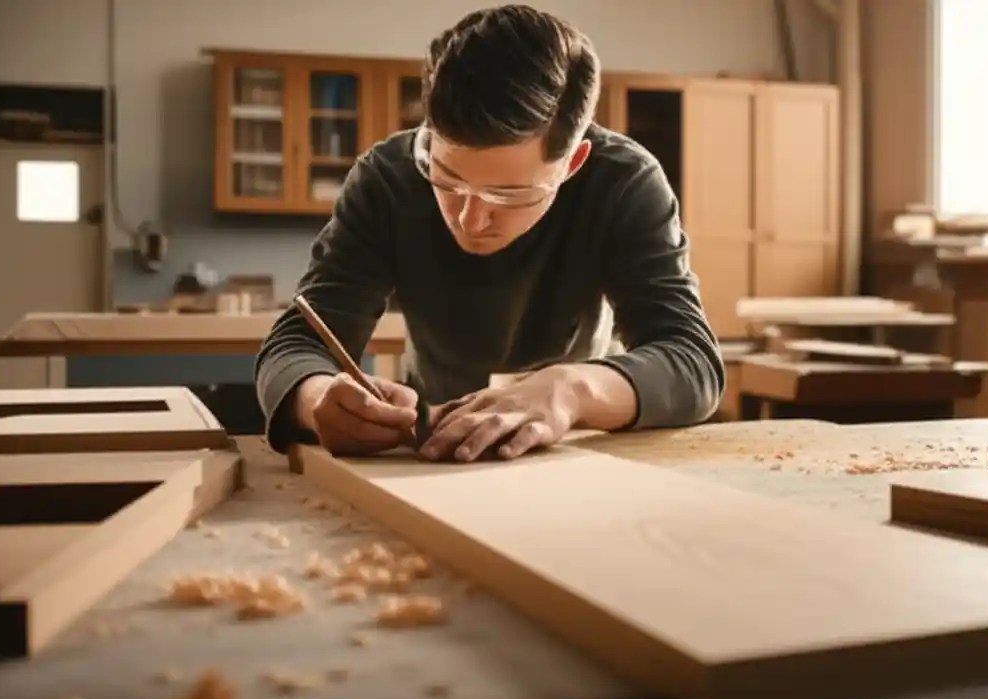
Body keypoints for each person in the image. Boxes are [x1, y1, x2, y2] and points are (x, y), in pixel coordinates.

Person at [255, 4, 724, 463]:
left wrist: (571, 389)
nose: (470, 219)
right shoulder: (387, 179)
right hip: (429, 448)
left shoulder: (624, 182)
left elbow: (692, 361)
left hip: (577, 448)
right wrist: (316, 399)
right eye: (445, 179)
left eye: (510, 194)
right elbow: (298, 343)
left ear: (572, 164)